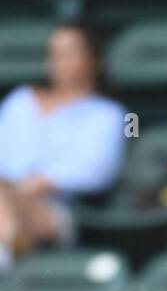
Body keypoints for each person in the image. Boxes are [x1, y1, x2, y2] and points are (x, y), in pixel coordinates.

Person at [0, 24, 126, 268]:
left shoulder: (111, 114)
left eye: (70, 52)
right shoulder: (20, 101)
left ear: (94, 59)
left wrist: (40, 183)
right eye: (55, 54)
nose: (61, 62)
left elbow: (98, 172)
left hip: (58, 210)